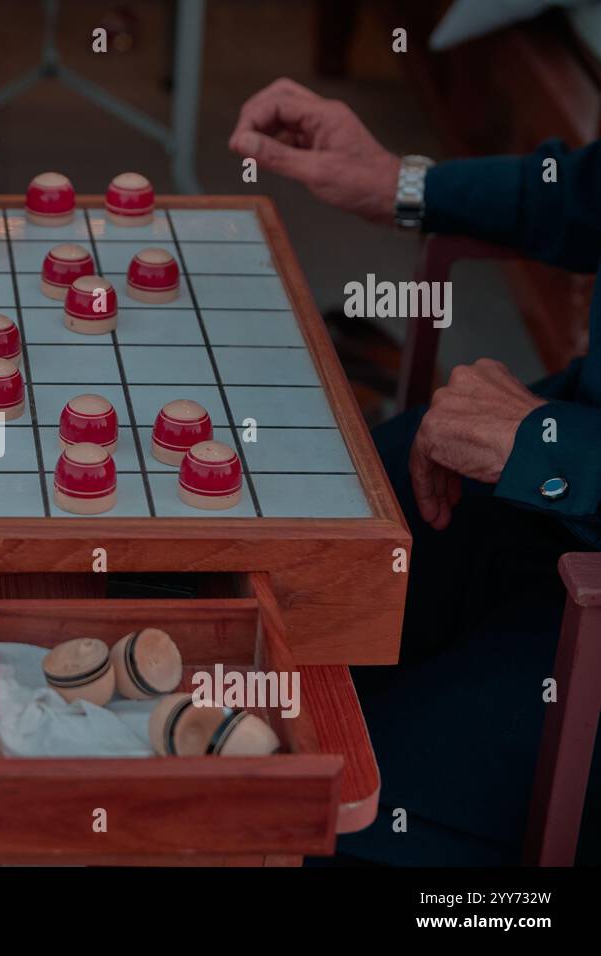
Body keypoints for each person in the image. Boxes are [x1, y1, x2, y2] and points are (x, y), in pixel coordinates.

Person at [230, 78, 600, 865]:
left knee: (338, 812)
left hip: (575, 494)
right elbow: (588, 189)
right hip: (558, 464)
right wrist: (404, 184)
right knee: (260, 572)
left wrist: (554, 448)